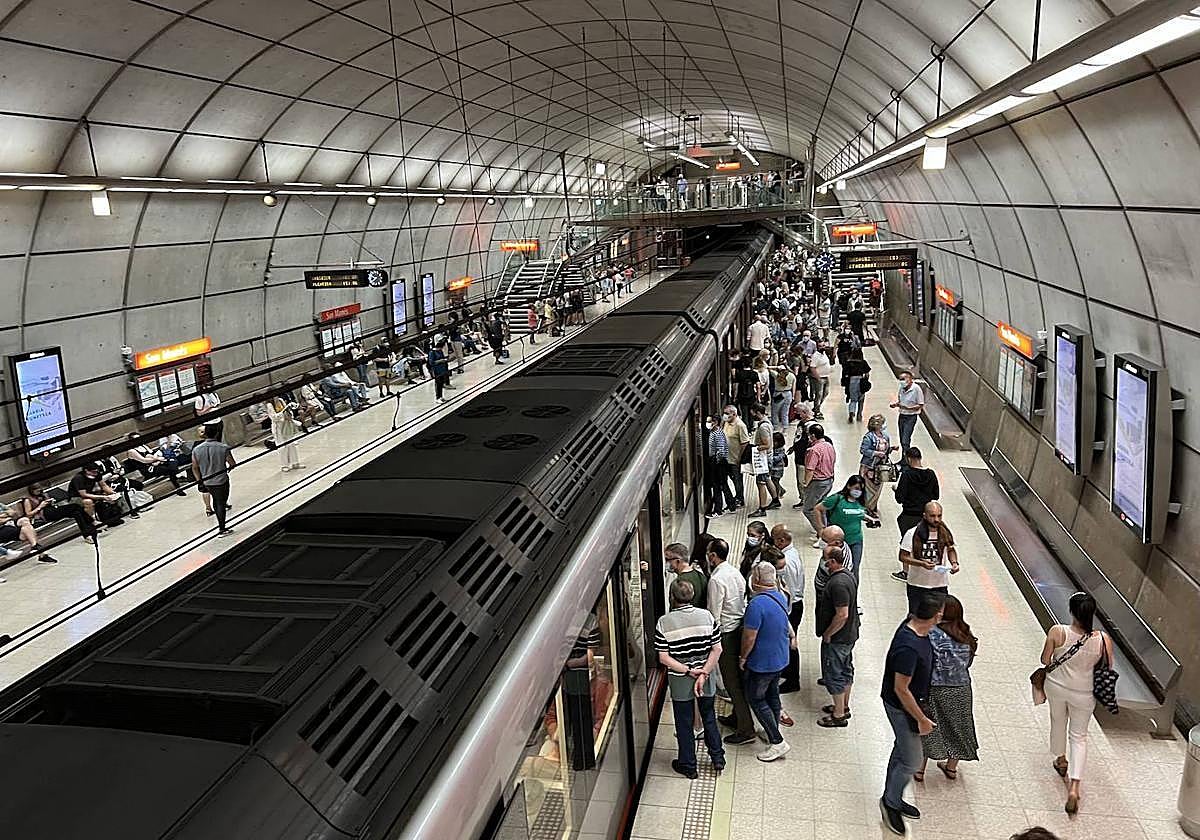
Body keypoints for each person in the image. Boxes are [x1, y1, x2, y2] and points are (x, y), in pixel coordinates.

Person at [1041, 591, 1114, 814]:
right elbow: (1108, 668)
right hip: (1084, 693)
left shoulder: (1058, 631)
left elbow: (1045, 660)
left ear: (1072, 611)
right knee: (1079, 736)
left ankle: (1061, 760)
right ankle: (1074, 786)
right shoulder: (1103, 639)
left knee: (1058, 722)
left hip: (1056, 687)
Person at [880, 591, 946, 836]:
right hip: (902, 708)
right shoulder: (909, 647)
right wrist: (922, 719)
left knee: (902, 751)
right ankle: (891, 803)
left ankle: (892, 795)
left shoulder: (914, 628)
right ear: (936, 615)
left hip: (908, 704)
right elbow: (901, 689)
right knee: (912, 760)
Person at [654, 578, 726, 779]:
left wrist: (688, 671)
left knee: (684, 722)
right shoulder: (707, 616)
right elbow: (717, 648)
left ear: (672, 597)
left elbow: (663, 657)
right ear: (692, 596)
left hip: (680, 678)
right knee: (709, 716)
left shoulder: (664, 622)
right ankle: (717, 757)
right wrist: (703, 673)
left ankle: (688, 765)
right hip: (706, 675)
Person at [917, 593, 979, 782]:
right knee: (959, 727)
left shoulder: (932, 634)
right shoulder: (965, 635)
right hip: (961, 688)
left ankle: (919, 769)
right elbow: (967, 663)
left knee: (930, 725)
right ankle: (951, 767)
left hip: (935, 687)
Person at [739, 563, 794, 761]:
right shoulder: (779, 596)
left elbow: (749, 637)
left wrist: (743, 657)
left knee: (756, 698)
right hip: (780, 657)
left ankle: (777, 741)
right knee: (772, 694)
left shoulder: (756, 605)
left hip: (763, 662)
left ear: (756, 580)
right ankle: (772, 728)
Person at [706, 538, 755, 745]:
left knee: (732, 683)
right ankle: (737, 716)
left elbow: (713, 614)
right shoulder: (734, 572)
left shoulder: (716, 580)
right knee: (737, 679)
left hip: (726, 633)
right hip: (739, 627)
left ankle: (746, 729)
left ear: (713, 556)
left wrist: (710, 643)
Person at [816, 544, 858, 727]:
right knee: (846, 670)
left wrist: (828, 633)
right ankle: (843, 706)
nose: (824, 563)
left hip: (838, 638)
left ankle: (838, 715)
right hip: (849, 634)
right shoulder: (848, 575)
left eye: (825, 560)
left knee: (834, 674)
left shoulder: (838, 583)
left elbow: (842, 614)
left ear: (833, 561)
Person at [899, 502, 959, 616]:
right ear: (924, 515)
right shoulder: (912, 533)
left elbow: (951, 549)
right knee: (916, 616)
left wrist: (955, 563)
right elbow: (903, 556)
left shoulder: (945, 533)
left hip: (940, 585)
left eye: (939, 515)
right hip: (917, 585)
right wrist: (921, 563)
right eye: (932, 516)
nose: (936, 519)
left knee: (939, 617)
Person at [892, 447, 940, 581]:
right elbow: (936, 495)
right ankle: (923, 568)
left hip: (908, 515)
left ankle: (906, 572)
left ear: (908, 458)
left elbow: (900, 498)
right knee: (924, 542)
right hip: (925, 516)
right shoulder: (931, 474)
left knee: (906, 543)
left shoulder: (907, 474)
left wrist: (896, 490)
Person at [815, 475, 876, 577]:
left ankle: (852, 589)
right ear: (848, 486)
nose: (858, 491)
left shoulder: (860, 502)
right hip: (836, 543)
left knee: (854, 569)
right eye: (856, 488)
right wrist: (821, 529)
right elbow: (817, 509)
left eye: (861, 489)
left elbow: (858, 514)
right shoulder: (837, 499)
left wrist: (869, 519)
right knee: (832, 567)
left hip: (856, 540)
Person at [771, 524, 805, 693]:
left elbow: (788, 590)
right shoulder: (791, 553)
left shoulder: (787, 561)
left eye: (774, 539)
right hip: (794, 604)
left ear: (782, 540)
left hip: (792, 607)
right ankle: (788, 671)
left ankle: (793, 680)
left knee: (791, 642)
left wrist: (784, 612)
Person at [191, 424, 237, 537]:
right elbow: (232, 463)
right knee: (220, 503)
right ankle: (222, 528)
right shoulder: (223, 447)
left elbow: (195, 467)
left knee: (216, 501)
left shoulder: (196, 450)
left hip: (207, 481)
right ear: (216, 434)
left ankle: (216, 517)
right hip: (221, 480)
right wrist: (228, 468)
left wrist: (199, 480)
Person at [23, 484, 98, 545]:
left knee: (76, 513)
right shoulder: (28, 500)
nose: (39, 491)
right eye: (37, 490)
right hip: (45, 514)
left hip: (53, 510)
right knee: (75, 506)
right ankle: (92, 522)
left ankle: (87, 535)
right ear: (32, 491)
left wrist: (50, 501)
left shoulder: (43, 494)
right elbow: (28, 514)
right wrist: (40, 506)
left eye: (40, 489)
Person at [797, 423, 836, 542]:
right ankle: (825, 531)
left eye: (809, 435)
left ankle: (823, 534)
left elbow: (810, 469)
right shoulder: (829, 445)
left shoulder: (813, 450)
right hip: (829, 480)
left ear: (813, 436)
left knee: (808, 509)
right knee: (820, 507)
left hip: (817, 482)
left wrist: (805, 484)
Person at [860, 414, 897, 517]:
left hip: (881, 467)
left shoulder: (885, 436)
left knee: (878, 488)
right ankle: (868, 508)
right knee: (869, 488)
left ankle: (873, 505)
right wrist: (876, 453)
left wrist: (892, 449)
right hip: (869, 466)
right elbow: (863, 450)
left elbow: (886, 450)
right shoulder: (868, 437)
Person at [68, 462, 124, 527]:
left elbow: (103, 486)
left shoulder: (96, 474)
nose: (96, 474)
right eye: (94, 472)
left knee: (107, 496)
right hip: (75, 497)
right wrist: (102, 497)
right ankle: (93, 522)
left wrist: (112, 493)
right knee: (88, 502)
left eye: (97, 472)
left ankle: (111, 518)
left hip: (89, 493)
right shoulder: (79, 478)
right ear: (86, 471)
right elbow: (83, 494)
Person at [749, 403, 778, 516]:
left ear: (758, 412)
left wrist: (755, 448)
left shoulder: (763, 427)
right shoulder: (766, 423)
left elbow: (767, 444)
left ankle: (762, 509)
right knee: (767, 479)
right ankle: (775, 500)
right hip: (767, 457)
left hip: (763, 458)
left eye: (753, 413)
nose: (752, 415)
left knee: (760, 483)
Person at [704, 415, 736, 517]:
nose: (708, 423)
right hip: (718, 462)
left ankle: (718, 510)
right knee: (723, 484)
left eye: (710, 421)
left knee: (717, 486)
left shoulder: (717, 433)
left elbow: (721, 450)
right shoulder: (713, 432)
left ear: (716, 422)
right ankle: (731, 505)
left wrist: (715, 461)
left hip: (719, 463)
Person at [721, 405, 749, 510]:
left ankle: (739, 499)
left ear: (734, 414)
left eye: (727, 413)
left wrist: (739, 458)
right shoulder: (726, 423)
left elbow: (745, 442)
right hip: (726, 458)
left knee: (737, 479)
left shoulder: (740, 425)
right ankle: (734, 498)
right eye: (725, 413)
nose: (725, 415)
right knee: (730, 479)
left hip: (735, 459)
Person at [891, 370, 925, 454]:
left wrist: (908, 408)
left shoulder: (916, 389)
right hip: (902, 416)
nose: (902, 381)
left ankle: (906, 460)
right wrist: (896, 404)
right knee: (902, 439)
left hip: (911, 417)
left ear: (910, 379)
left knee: (906, 439)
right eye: (900, 379)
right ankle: (904, 458)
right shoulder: (901, 389)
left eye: (903, 379)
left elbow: (920, 405)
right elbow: (901, 401)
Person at [664, 542, 707, 607]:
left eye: (667, 559)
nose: (666, 563)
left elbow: (675, 610)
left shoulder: (678, 583)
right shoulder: (701, 576)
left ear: (678, 561)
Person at [267, 396, 303, 472]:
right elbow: (274, 417)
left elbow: (288, 410)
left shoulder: (280, 400)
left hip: (287, 425)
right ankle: (284, 465)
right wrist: (283, 412)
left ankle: (295, 463)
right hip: (278, 428)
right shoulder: (270, 405)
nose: (276, 397)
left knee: (291, 444)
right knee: (282, 447)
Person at [843, 347, 871, 422]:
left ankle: (851, 412)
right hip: (861, 380)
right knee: (861, 399)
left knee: (853, 399)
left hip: (851, 381)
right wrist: (865, 381)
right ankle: (859, 415)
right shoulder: (863, 362)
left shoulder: (848, 362)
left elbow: (845, 374)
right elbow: (867, 374)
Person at [807, 343, 833, 420]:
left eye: (823, 346)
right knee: (819, 395)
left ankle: (817, 407)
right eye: (820, 346)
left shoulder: (824, 354)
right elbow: (812, 368)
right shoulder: (815, 356)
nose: (822, 347)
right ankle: (817, 411)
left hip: (826, 377)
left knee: (826, 393)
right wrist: (818, 377)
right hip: (819, 378)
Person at [770, 366, 795, 432]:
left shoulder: (776, 375)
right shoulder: (792, 375)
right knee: (785, 412)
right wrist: (793, 396)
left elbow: (767, 367)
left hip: (778, 394)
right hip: (788, 393)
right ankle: (785, 429)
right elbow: (794, 386)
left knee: (775, 412)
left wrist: (776, 366)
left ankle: (775, 427)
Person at [428, 339, 451, 404]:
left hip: (442, 369)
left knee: (441, 384)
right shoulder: (432, 352)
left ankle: (441, 397)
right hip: (436, 370)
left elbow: (443, 357)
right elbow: (431, 362)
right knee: (438, 384)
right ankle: (437, 398)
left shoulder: (440, 351)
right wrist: (441, 361)